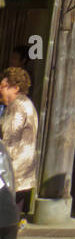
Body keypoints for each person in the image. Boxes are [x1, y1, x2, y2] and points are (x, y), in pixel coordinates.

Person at [0, 67, 37, 228]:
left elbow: (10, 138)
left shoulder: (16, 106)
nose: (0, 90)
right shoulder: (27, 103)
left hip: (14, 167)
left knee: (7, 220)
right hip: (24, 168)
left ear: (15, 88)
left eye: (2, 86)